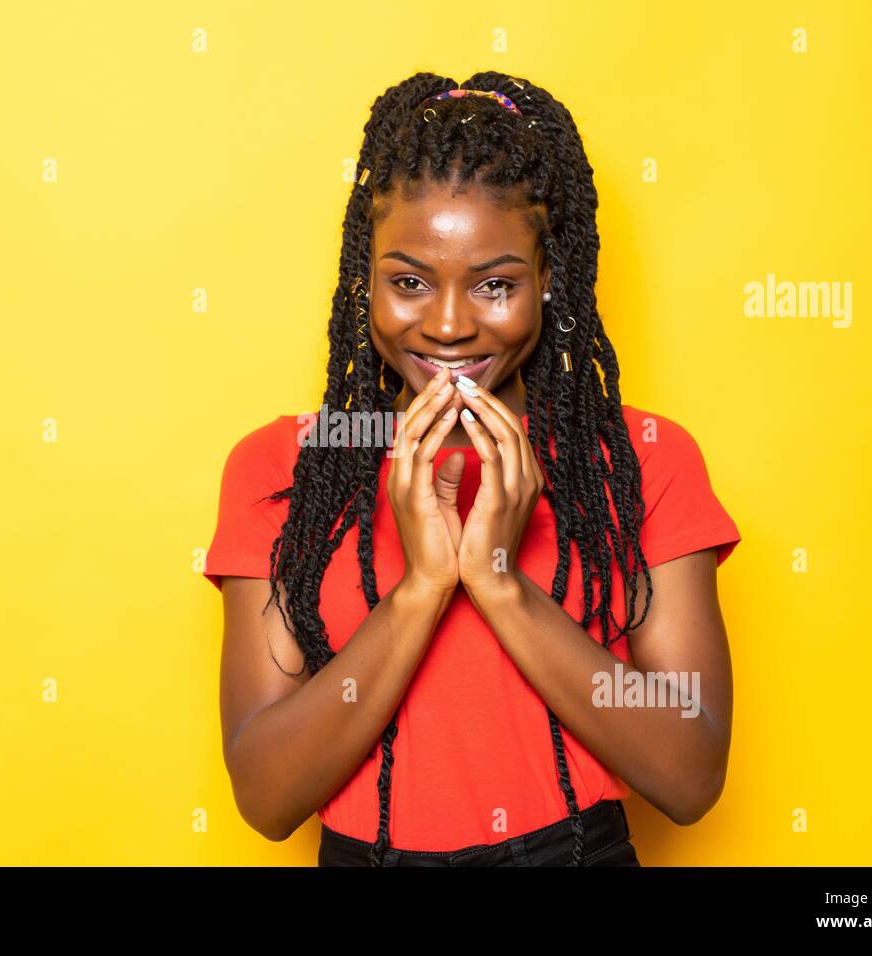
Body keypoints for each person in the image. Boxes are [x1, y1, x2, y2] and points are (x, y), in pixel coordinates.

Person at [201, 71, 741, 867]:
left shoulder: (642, 461)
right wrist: (423, 588)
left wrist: (498, 579)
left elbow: (690, 775)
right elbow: (266, 796)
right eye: (409, 281)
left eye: (495, 284)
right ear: (365, 282)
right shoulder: (288, 467)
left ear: (550, 280)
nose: (449, 325)